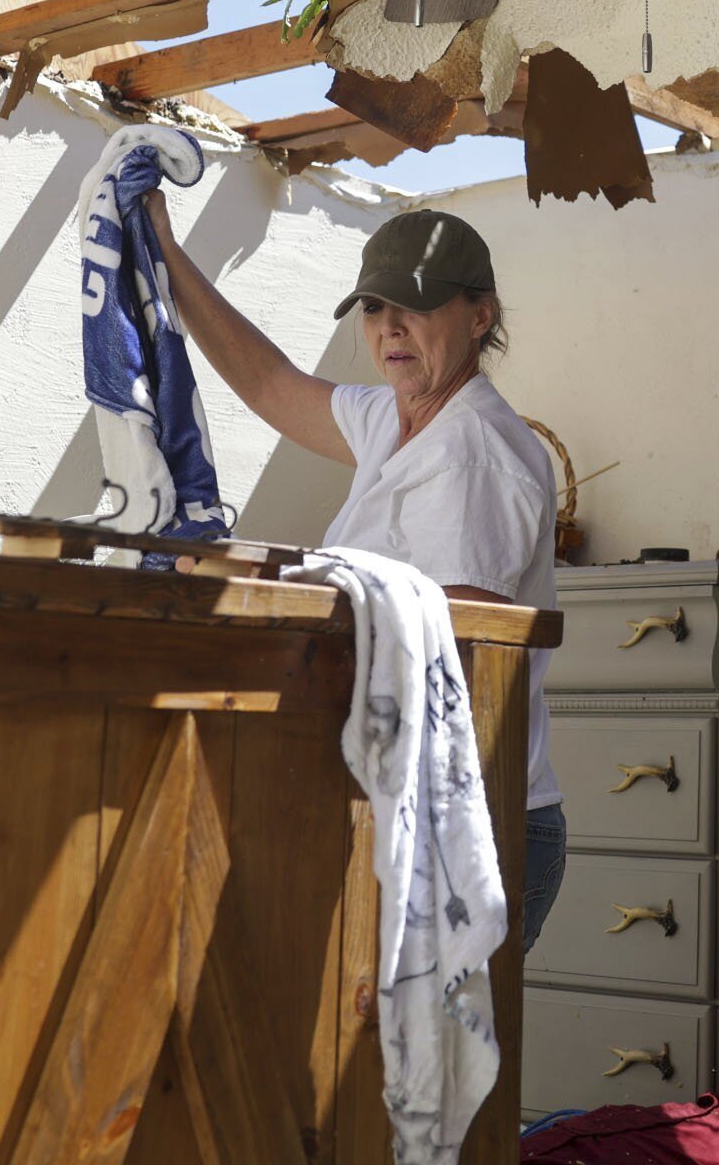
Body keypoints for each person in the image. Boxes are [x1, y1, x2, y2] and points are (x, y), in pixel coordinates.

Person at [148, 199, 567, 949]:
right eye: (374, 308)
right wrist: (168, 257)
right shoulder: (396, 418)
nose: (390, 328)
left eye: (416, 305)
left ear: (479, 317)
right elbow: (273, 385)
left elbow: (451, 649)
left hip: (472, 828)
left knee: (425, 1065)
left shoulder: (474, 454)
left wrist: (267, 583)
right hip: (411, 807)